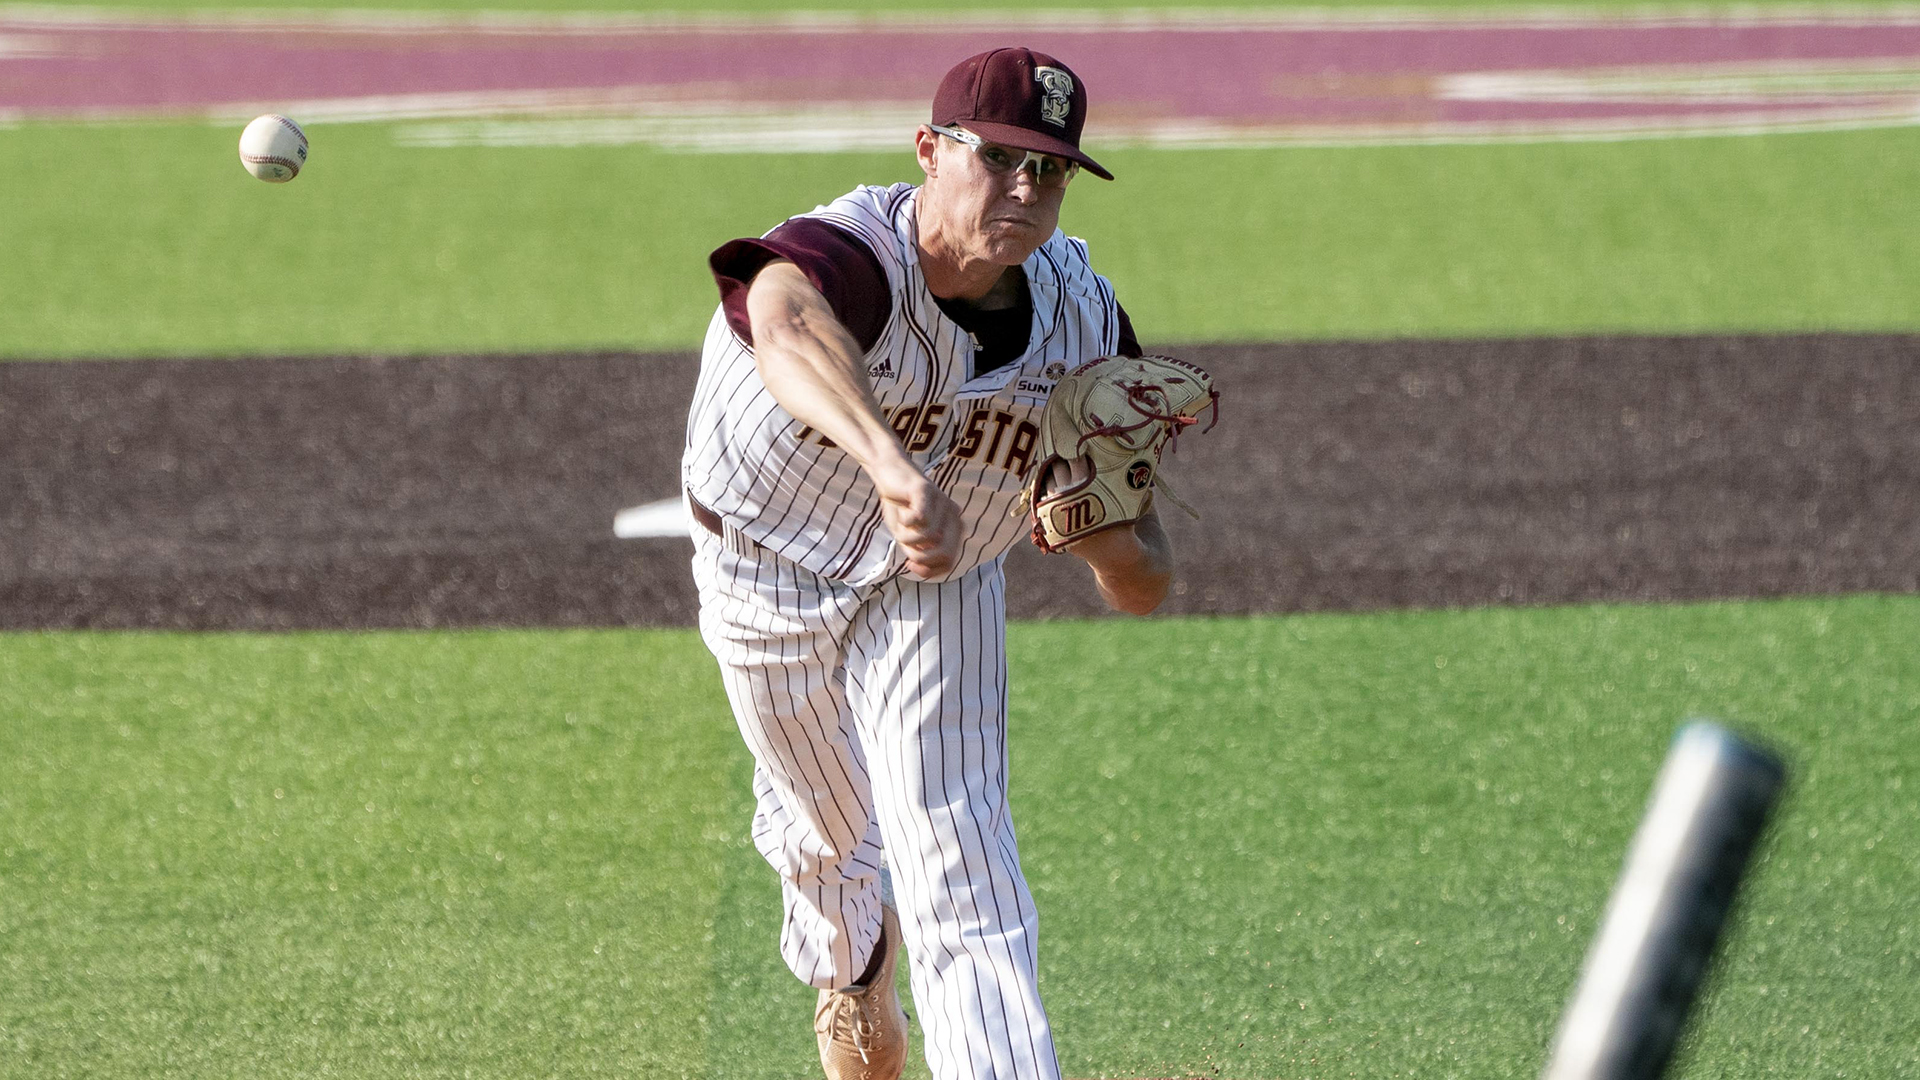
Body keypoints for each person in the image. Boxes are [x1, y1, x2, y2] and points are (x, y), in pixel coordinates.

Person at [682, 47, 1173, 1080]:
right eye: (1000, 158)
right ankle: (852, 973)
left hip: (935, 586)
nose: (1027, 188)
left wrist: (1108, 543)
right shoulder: (854, 252)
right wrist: (889, 464)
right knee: (829, 834)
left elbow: (1145, 577)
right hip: (765, 561)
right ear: (929, 151)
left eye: (1051, 169)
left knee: (959, 849)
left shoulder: (1086, 323)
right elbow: (782, 317)